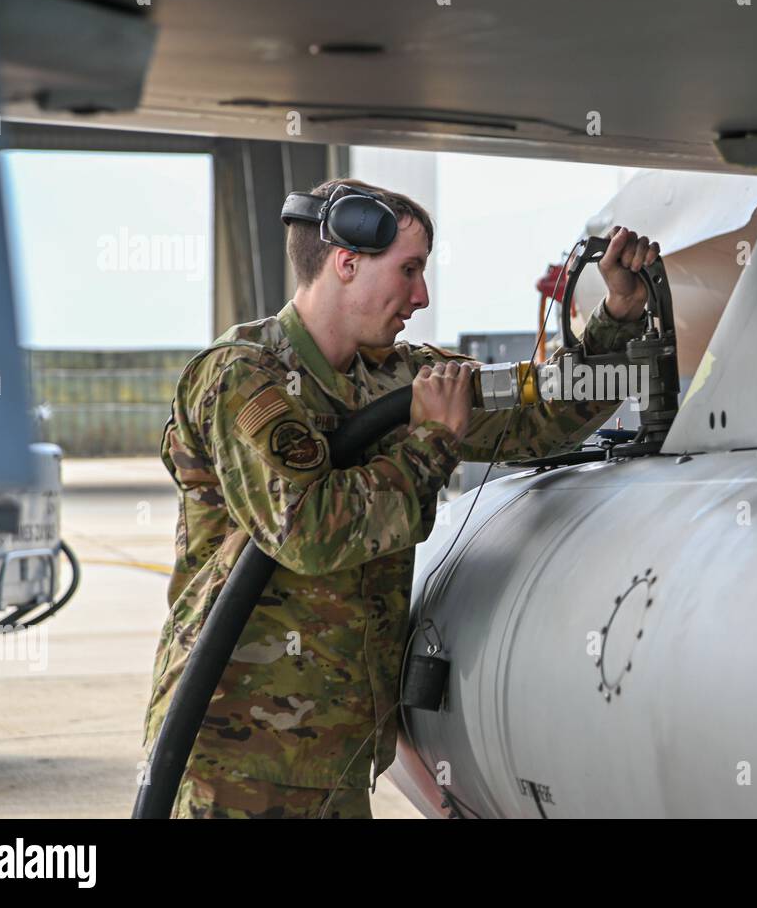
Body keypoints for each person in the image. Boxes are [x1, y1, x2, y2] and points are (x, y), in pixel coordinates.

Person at [143, 177, 659, 818]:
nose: (422, 295)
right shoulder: (242, 377)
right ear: (347, 262)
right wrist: (433, 443)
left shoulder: (396, 373)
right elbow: (310, 529)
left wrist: (618, 316)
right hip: (239, 755)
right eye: (409, 270)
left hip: (337, 754)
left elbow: (541, 417)